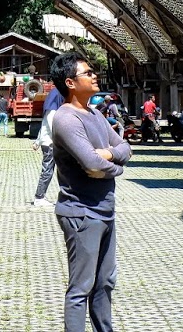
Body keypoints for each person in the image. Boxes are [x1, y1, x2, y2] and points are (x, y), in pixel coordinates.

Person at [49, 52, 131, 332]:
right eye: (88, 73)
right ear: (70, 82)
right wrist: (115, 166)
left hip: (105, 210)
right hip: (81, 214)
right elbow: (90, 162)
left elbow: (125, 149)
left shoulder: (95, 114)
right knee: (80, 288)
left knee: (105, 282)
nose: (94, 75)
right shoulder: (66, 119)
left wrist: (109, 155)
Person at [31, 83, 65, 208]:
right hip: (51, 143)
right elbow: (51, 126)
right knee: (48, 170)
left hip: (47, 142)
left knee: (53, 170)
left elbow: (43, 127)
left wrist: (37, 141)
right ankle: (39, 197)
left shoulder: (49, 109)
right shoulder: (52, 111)